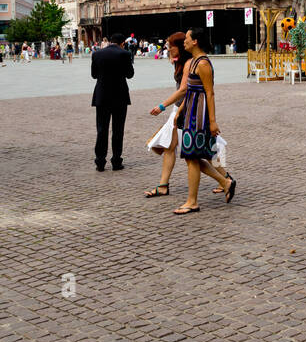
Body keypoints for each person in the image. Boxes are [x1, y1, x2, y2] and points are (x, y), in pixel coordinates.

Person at [149, 27, 235, 213]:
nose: (185, 41)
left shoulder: (202, 63)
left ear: (195, 41)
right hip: (189, 113)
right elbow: (189, 91)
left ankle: (199, 197)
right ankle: (221, 183)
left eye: (187, 38)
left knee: (196, 156)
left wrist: (212, 121)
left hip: (199, 115)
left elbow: (210, 93)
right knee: (192, 157)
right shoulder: (194, 61)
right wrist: (179, 110)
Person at [145, 32, 188, 198]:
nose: (168, 49)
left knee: (202, 152)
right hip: (179, 108)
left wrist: (162, 106)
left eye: (171, 46)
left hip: (185, 109)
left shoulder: (189, 64)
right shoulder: (180, 61)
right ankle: (163, 185)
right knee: (169, 147)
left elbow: (184, 90)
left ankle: (225, 180)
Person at [91, 35, 135, 171]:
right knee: (118, 130)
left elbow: (94, 75)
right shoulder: (125, 54)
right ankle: (116, 160)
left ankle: (100, 161)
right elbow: (130, 74)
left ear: (110, 41)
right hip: (119, 96)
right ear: (122, 43)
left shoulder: (97, 54)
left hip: (102, 95)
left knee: (101, 129)